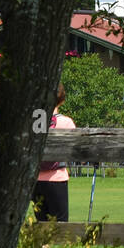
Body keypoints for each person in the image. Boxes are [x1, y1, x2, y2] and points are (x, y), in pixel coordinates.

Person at [33, 83, 76, 221]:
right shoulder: (66, 122)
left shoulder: (35, 121)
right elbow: (75, 150)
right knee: (60, 225)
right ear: (62, 100)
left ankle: (42, 244)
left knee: (41, 225)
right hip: (57, 177)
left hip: (36, 179)